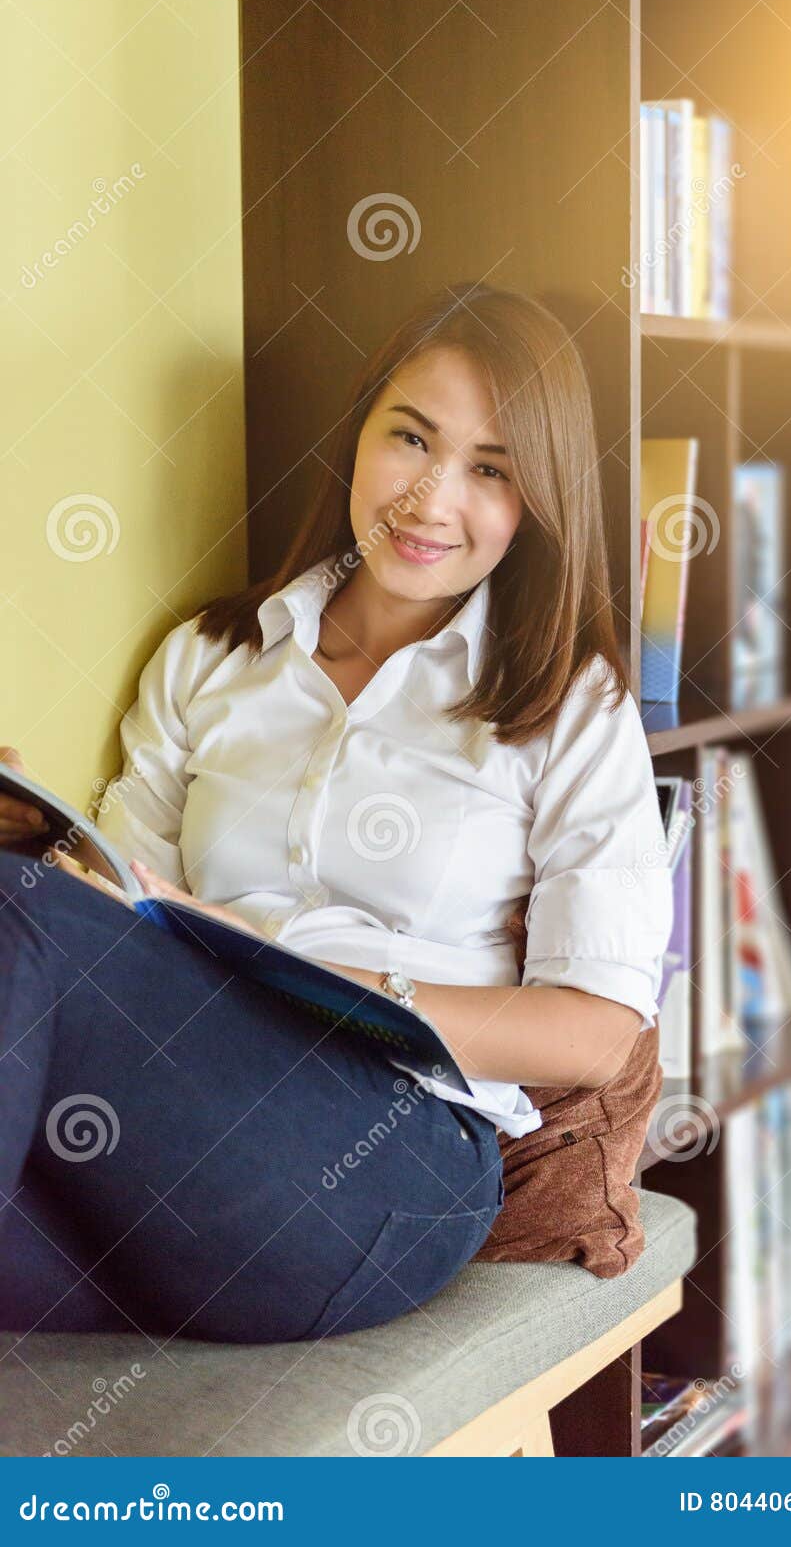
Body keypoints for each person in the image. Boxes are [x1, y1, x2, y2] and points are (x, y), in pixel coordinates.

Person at [0, 281, 672, 1346]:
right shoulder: (212, 659)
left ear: (534, 500)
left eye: (490, 469)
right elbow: (103, 926)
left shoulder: (567, 705)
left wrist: (349, 984)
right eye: (412, 438)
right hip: (178, 1127)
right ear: (360, 434)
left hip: (389, 1162)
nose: (432, 499)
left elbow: (596, 1033)